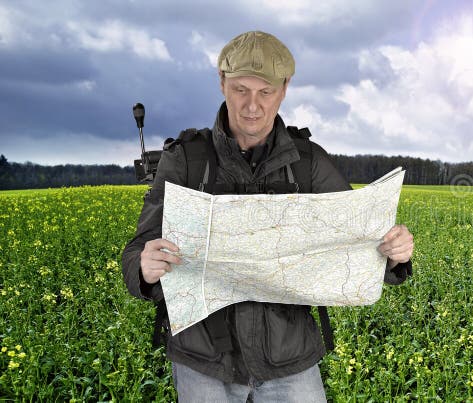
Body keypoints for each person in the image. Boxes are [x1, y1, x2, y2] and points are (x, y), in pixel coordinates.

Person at [121, 31, 414, 402]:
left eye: (265, 91)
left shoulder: (308, 163)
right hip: (203, 360)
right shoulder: (187, 160)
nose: (252, 106)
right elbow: (136, 252)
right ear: (222, 82)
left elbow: (358, 238)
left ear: (285, 88)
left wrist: (393, 253)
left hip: (288, 359)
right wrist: (144, 268)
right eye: (241, 89)